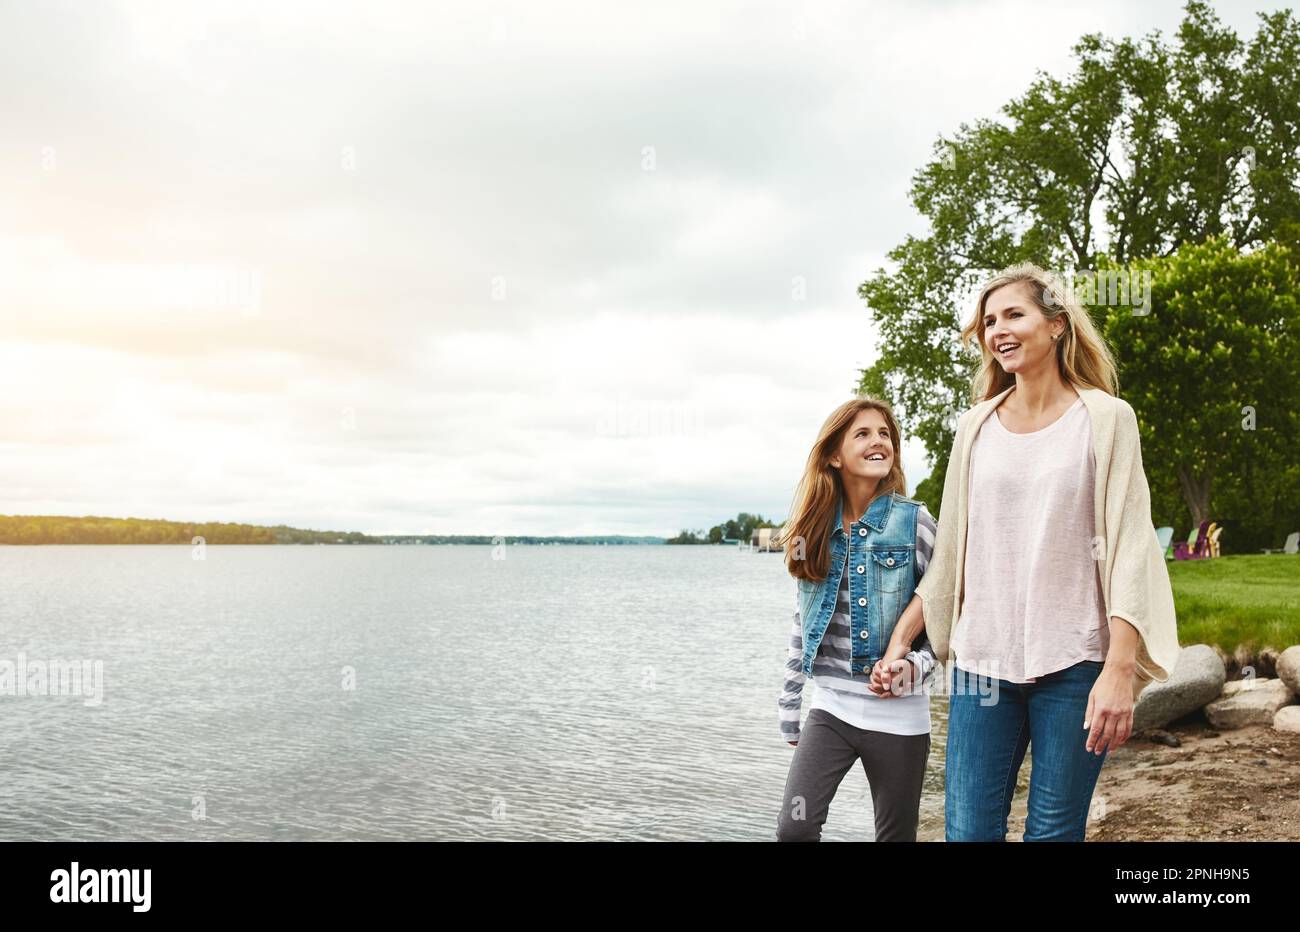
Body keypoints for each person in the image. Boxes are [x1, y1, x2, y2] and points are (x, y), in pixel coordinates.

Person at [875, 261, 1181, 841]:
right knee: (967, 834)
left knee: (1052, 835)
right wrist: (900, 641)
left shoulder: (1107, 419)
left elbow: (1131, 550)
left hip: (1075, 662)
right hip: (981, 664)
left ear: (1058, 324)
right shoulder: (974, 427)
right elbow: (953, 556)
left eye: (1014, 314)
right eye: (989, 321)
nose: (998, 331)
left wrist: (1119, 669)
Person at [774, 396, 940, 842]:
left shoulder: (916, 524)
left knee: (894, 836)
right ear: (833, 454)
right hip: (831, 709)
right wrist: (789, 703)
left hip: (900, 718)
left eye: (885, 433)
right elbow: (801, 623)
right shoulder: (812, 529)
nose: (878, 441)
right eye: (862, 433)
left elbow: (943, 618)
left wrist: (913, 667)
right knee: (795, 828)